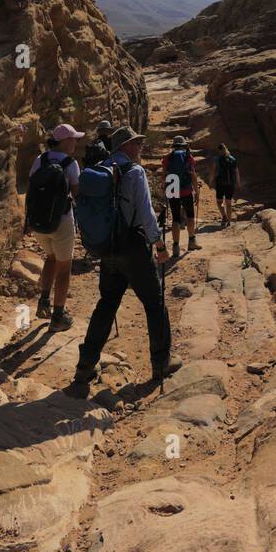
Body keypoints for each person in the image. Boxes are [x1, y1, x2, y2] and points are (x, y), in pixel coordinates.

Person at [74, 126, 182, 386]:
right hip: (133, 247)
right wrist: (159, 244)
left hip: (107, 247)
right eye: (137, 143)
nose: (140, 147)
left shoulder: (101, 169)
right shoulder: (134, 172)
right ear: (125, 146)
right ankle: (161, 362)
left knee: (107, 304)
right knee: (154, 303)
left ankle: (85, 366)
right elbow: (144, 213)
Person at [26, 123, 83, 331]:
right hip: (61, 221)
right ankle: (58, 317)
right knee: (64, 268)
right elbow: (76, 193)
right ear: (65, 141)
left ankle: (43, 303)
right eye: (74, 139)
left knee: (50, 259)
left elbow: (32, 186)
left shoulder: (40, 159)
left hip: (38, 223)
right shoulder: (70, 163)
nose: (76, 142)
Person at [160, 134, 201, 257]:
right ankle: (191, 241)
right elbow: (193, 176)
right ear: (184, 145)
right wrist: (196, 192)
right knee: (190, 216)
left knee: (176, 218)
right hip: (186, 190)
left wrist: (164, 188)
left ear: (174, 146)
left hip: (173, 190)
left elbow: (164, 175)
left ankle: (176, 247)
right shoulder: (189, 157)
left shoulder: (168, 158)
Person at [213, 143, 240, 227]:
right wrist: (238, 183)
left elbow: (213, 171)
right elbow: (236, 172)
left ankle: (224, 216)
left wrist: (210, 181)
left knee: (219, 202)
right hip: (230, 184)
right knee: (228, 203)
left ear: (219, 150)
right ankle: (229, 221)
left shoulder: (217, 159)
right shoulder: (232, 159)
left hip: (220, 184)